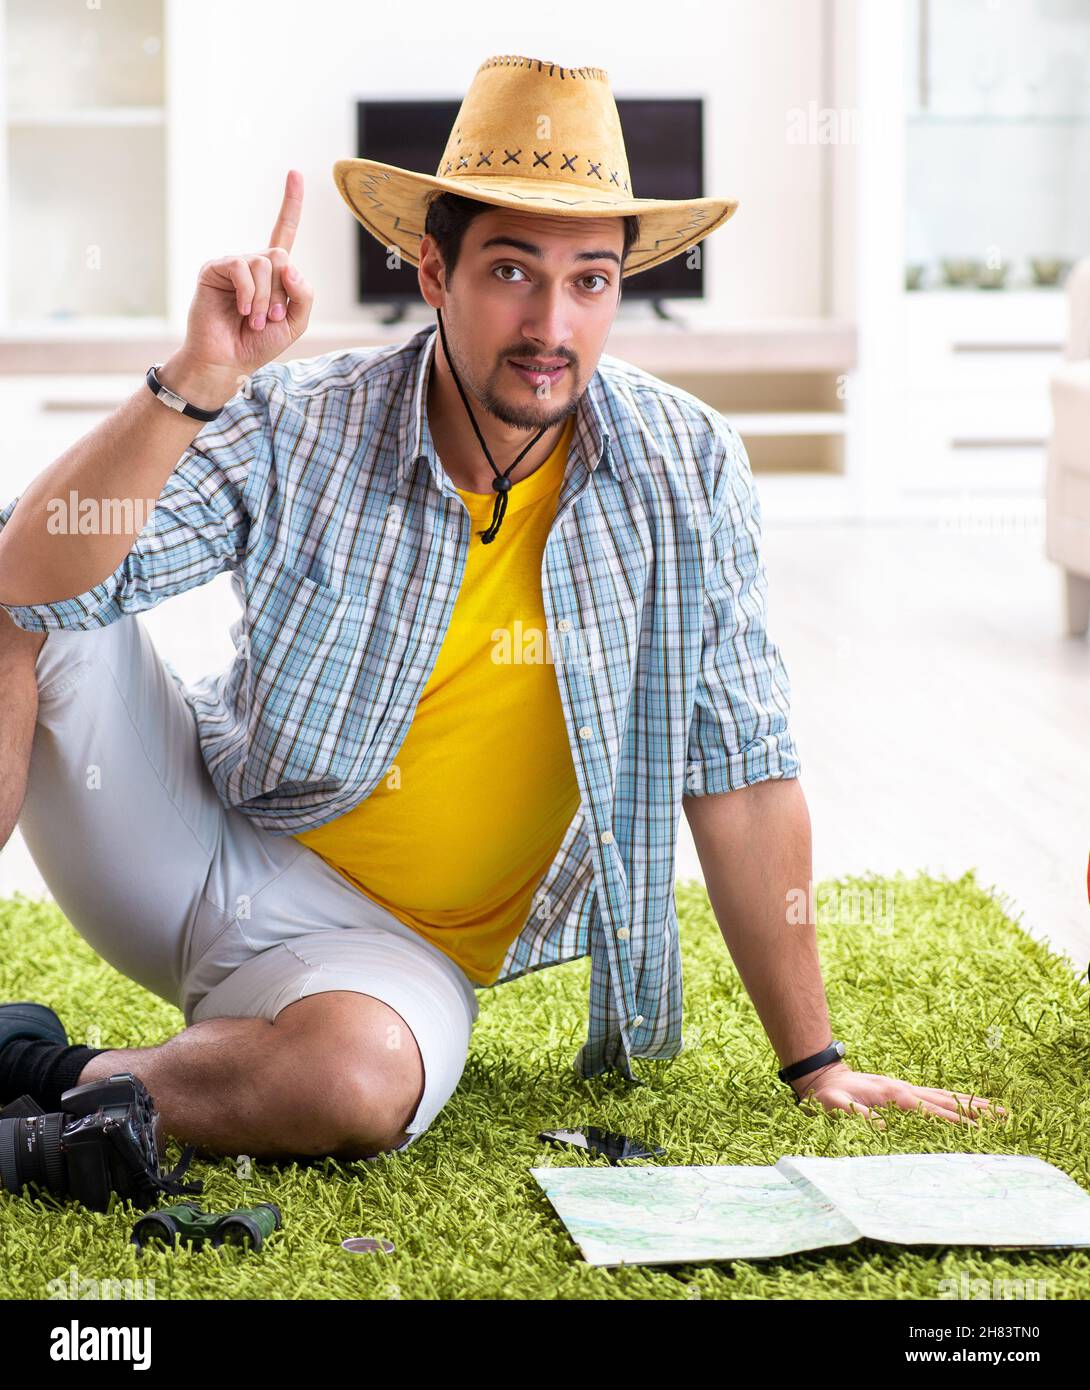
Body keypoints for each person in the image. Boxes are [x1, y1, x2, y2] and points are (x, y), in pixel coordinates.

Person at [0, 54, 1003, 1163]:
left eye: (590, 281)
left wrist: (817, 1064)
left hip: (389, 953)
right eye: (513, 271)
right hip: (194, 832)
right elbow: (28, 573)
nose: (551, 324)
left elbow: (743, 772)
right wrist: (193, 381)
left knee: (352, 1082)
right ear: (434, 272)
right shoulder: (302, 417)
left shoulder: (686, 467)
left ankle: (43, 1074)